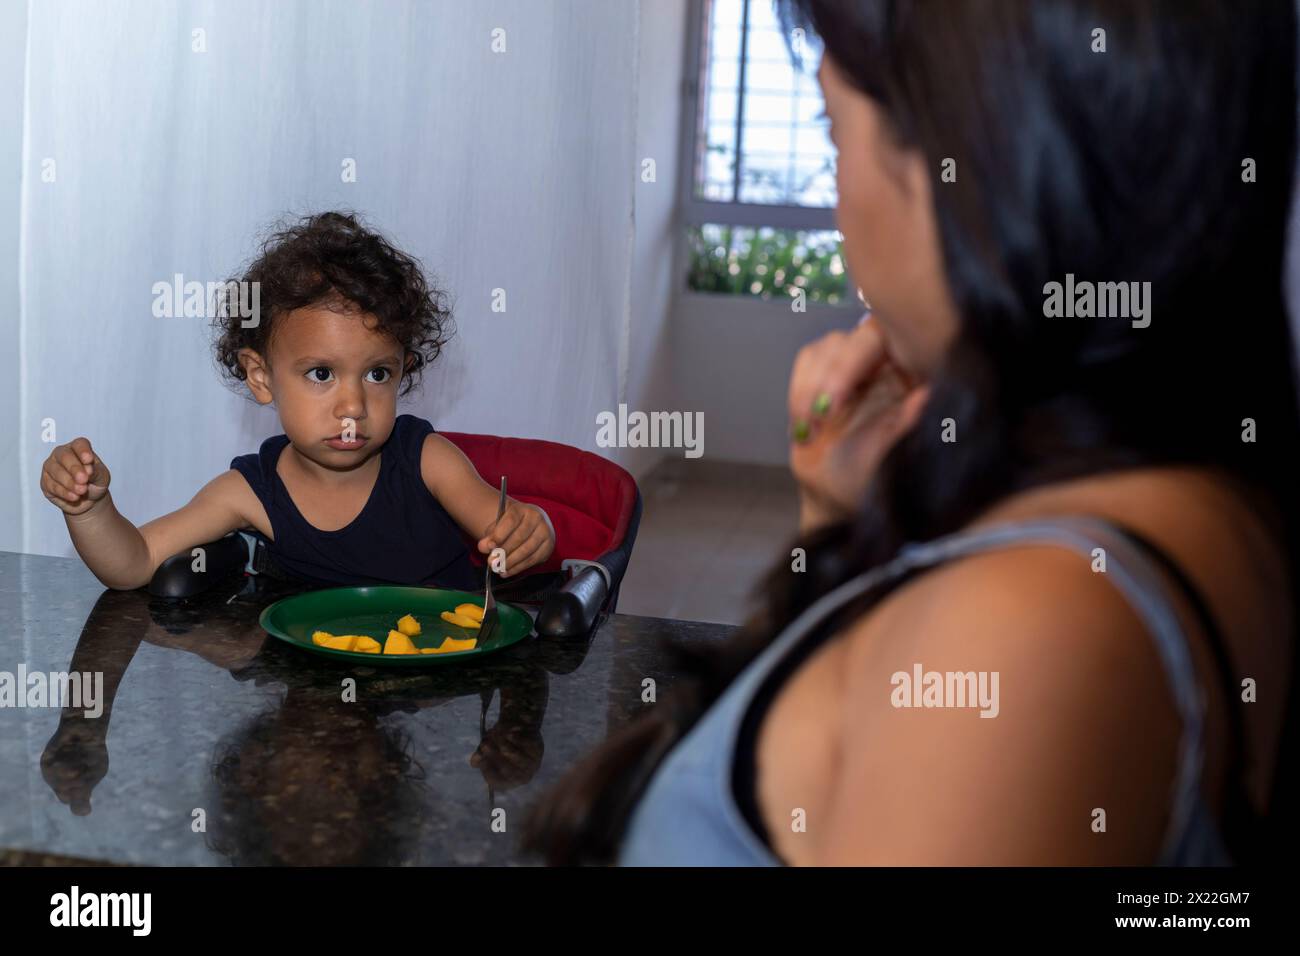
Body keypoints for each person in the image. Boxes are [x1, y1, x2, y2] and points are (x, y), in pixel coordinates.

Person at [524, 0, 1300, 865]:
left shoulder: (1025, 627)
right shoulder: (1210, 501)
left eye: (832, 130)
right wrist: (837, 522)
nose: (838, 203)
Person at [40, 211, 554, 590]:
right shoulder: (249, 492)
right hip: (313, 709)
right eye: (322, 373)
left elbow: (507, 527)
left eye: (377, 373)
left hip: (440, 690)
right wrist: (89, 509)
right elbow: (134, 563)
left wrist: (533, 530)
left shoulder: (427, 460)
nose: (353, 404)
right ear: (261, 378)